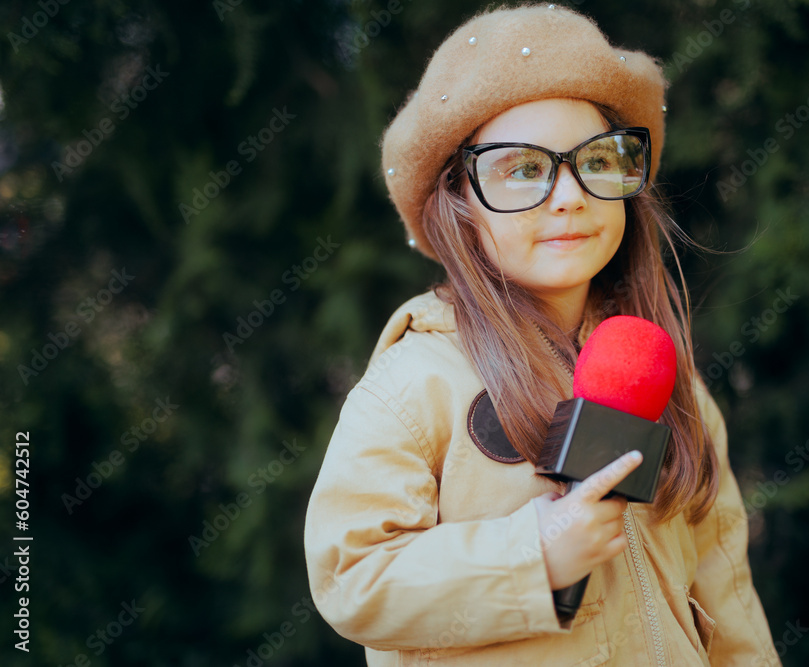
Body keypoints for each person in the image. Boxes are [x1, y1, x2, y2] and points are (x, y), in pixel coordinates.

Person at [304, 4, 780, 665]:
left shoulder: (673, 383)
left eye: (597, 160)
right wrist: (538, 552)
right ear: (459, 203)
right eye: (523, 169)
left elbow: (729, 602)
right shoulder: (416, 383)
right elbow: (352, 577)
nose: (569, 195)